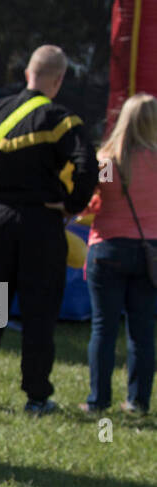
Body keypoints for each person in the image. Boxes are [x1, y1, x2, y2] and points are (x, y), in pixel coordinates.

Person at [0, 45, 98, 415]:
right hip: (41, 223)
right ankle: (37, 397)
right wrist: (72, 205)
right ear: (57, 80)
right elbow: (87, 164)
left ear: (28, 71)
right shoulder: (61, 119)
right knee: (39, 313)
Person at [78, 93, 157, 415]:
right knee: (142, 331)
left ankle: (99, 401)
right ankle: (138, 401)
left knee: (103, 328)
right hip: (149, 252)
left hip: (108, 248)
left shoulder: (109, 163)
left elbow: (94, 202)